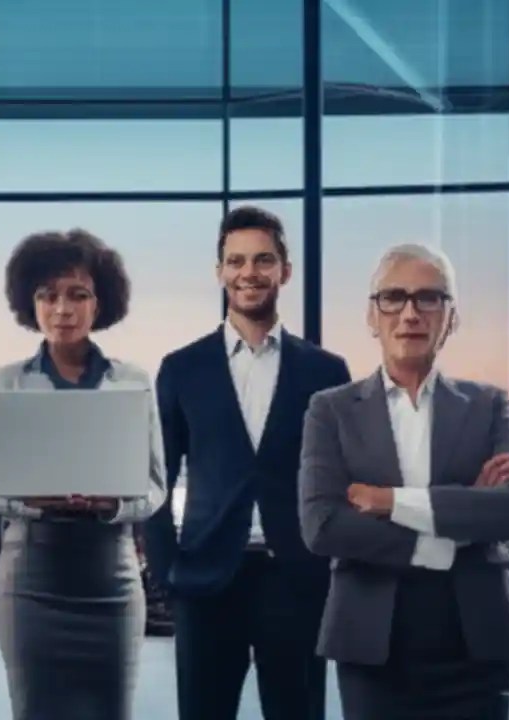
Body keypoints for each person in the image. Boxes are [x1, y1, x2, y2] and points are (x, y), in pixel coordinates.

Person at [299, 243, 509, 720]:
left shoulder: (488, 404)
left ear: (451, 317)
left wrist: (391, 501)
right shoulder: (331, 409)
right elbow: (323, 525)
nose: (410, 312)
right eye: (394, 297)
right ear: (372, 315)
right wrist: (449, 532)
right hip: (372, 645)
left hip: (478, 643)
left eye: (429, 298)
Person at [143, 205, 352, 720]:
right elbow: (154, 480)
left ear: (284, 270)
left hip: (297, 580)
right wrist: (169, 570)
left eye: (262, 260)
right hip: (206, 581)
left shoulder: (326, 371)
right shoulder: (181, 368)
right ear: (220, 273)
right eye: (235, 261)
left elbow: (342, 480)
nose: (248, 273)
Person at [0, 229, 166, 720]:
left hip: (112, 582)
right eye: (49, 295)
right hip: (31, 584)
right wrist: (43, 500)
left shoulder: (132, 380)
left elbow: (155, 487)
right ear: (30, 303)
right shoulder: (4, 381)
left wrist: (111, 506)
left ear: (100, 302)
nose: (63, 308)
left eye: (78, 295)